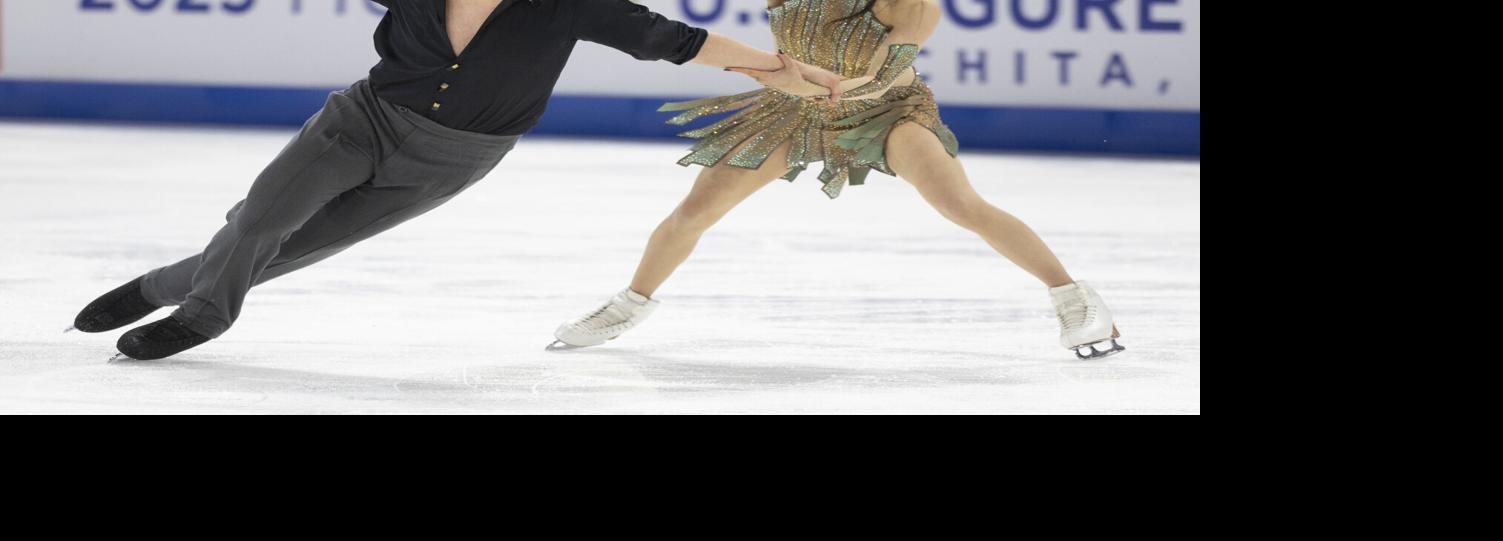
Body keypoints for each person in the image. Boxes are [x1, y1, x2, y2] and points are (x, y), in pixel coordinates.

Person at [72, 0, 846, 362]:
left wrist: (779, 71)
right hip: (363, 117)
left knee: (302, 243)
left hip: (456, 157)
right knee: (260, 216)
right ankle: (205, 317)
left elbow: (673, 40)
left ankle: (155, 287)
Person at [551, 0, 1124, 360]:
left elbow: (883, 78)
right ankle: (630, 303)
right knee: (697, 210)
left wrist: (816, 88)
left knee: (958, 203)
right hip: (794, 108)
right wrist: (779, 78)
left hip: (888, 110)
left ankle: (1073, 296)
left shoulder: (913, 5)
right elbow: (787, 54)